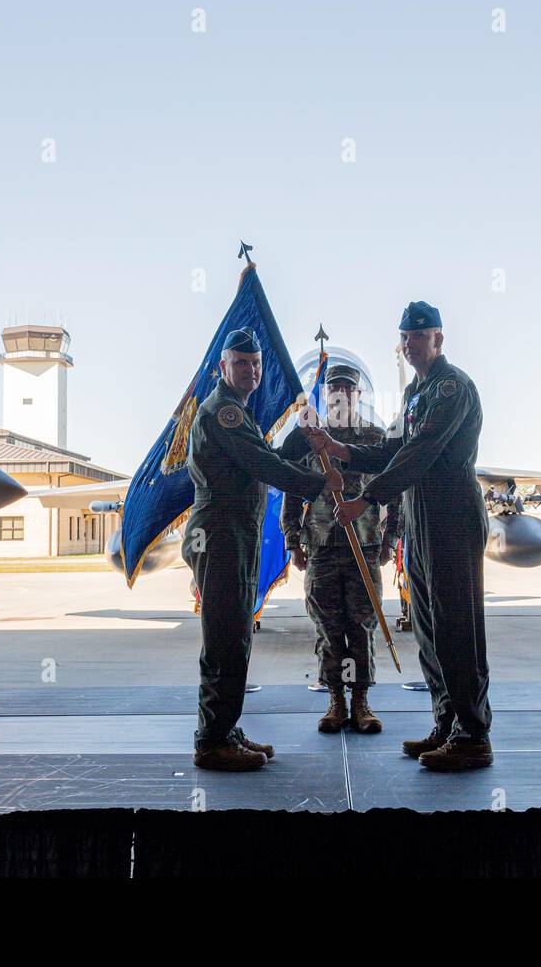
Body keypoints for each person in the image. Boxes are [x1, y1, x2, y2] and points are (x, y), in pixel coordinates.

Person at [303, 302, 493, 772]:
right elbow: (395, 449)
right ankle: (446, 724)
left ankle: (472, 734)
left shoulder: (451, 387)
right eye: (404, 336)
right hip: (424, 516)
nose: (410, 343)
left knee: (457, 629)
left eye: (419, 335)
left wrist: (366, 501)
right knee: (429, 628)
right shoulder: (416, 392)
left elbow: (420, 454)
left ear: (439, 339)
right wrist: (342, 449)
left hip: (451, 515)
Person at [183, 327, 343, 771]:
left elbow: (264, 453)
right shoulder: (224, 413)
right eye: (241, 362)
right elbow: (264, 464)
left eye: (255, 364)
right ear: (222, 366)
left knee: (236, 635)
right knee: (224, 640)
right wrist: (319, 484)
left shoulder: (238, 413)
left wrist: (302, 432)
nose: (251, 370)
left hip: (235, 537)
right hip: (220, 537)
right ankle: (212, 740)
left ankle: (225, 728)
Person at [280, 364, 400, 734]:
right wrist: (292, 540)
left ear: (358, 395)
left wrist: (391, 539)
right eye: (334, 389)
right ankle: (336, 700)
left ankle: (361, 702)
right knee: (329, 628)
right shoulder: (310, 437)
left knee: (361, 626)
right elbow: (292, 487)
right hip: (320, 546)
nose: (340, 395)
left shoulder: (375, 437)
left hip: (363, 544)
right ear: (325, 394)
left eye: (348, 389)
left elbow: (394, 490)